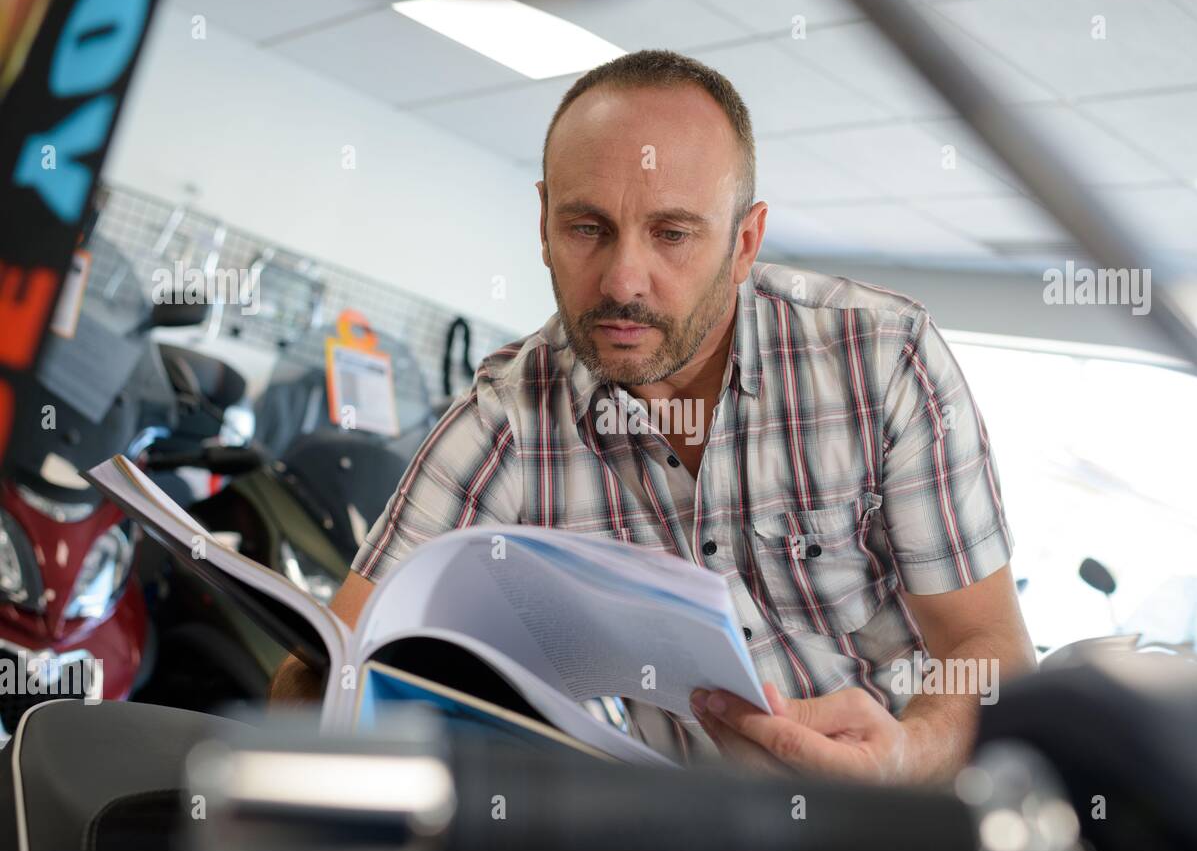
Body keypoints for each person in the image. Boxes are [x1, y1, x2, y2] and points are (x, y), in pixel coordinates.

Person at [271, 48, 1035, 783]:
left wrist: (906, 756)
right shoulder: (508, 422)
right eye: (586, 228)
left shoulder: (881, 359)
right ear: (543, 223)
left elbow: (988, 643)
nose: (622, 280)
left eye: (671, 234)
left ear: (744, 242)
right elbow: (325, 670)